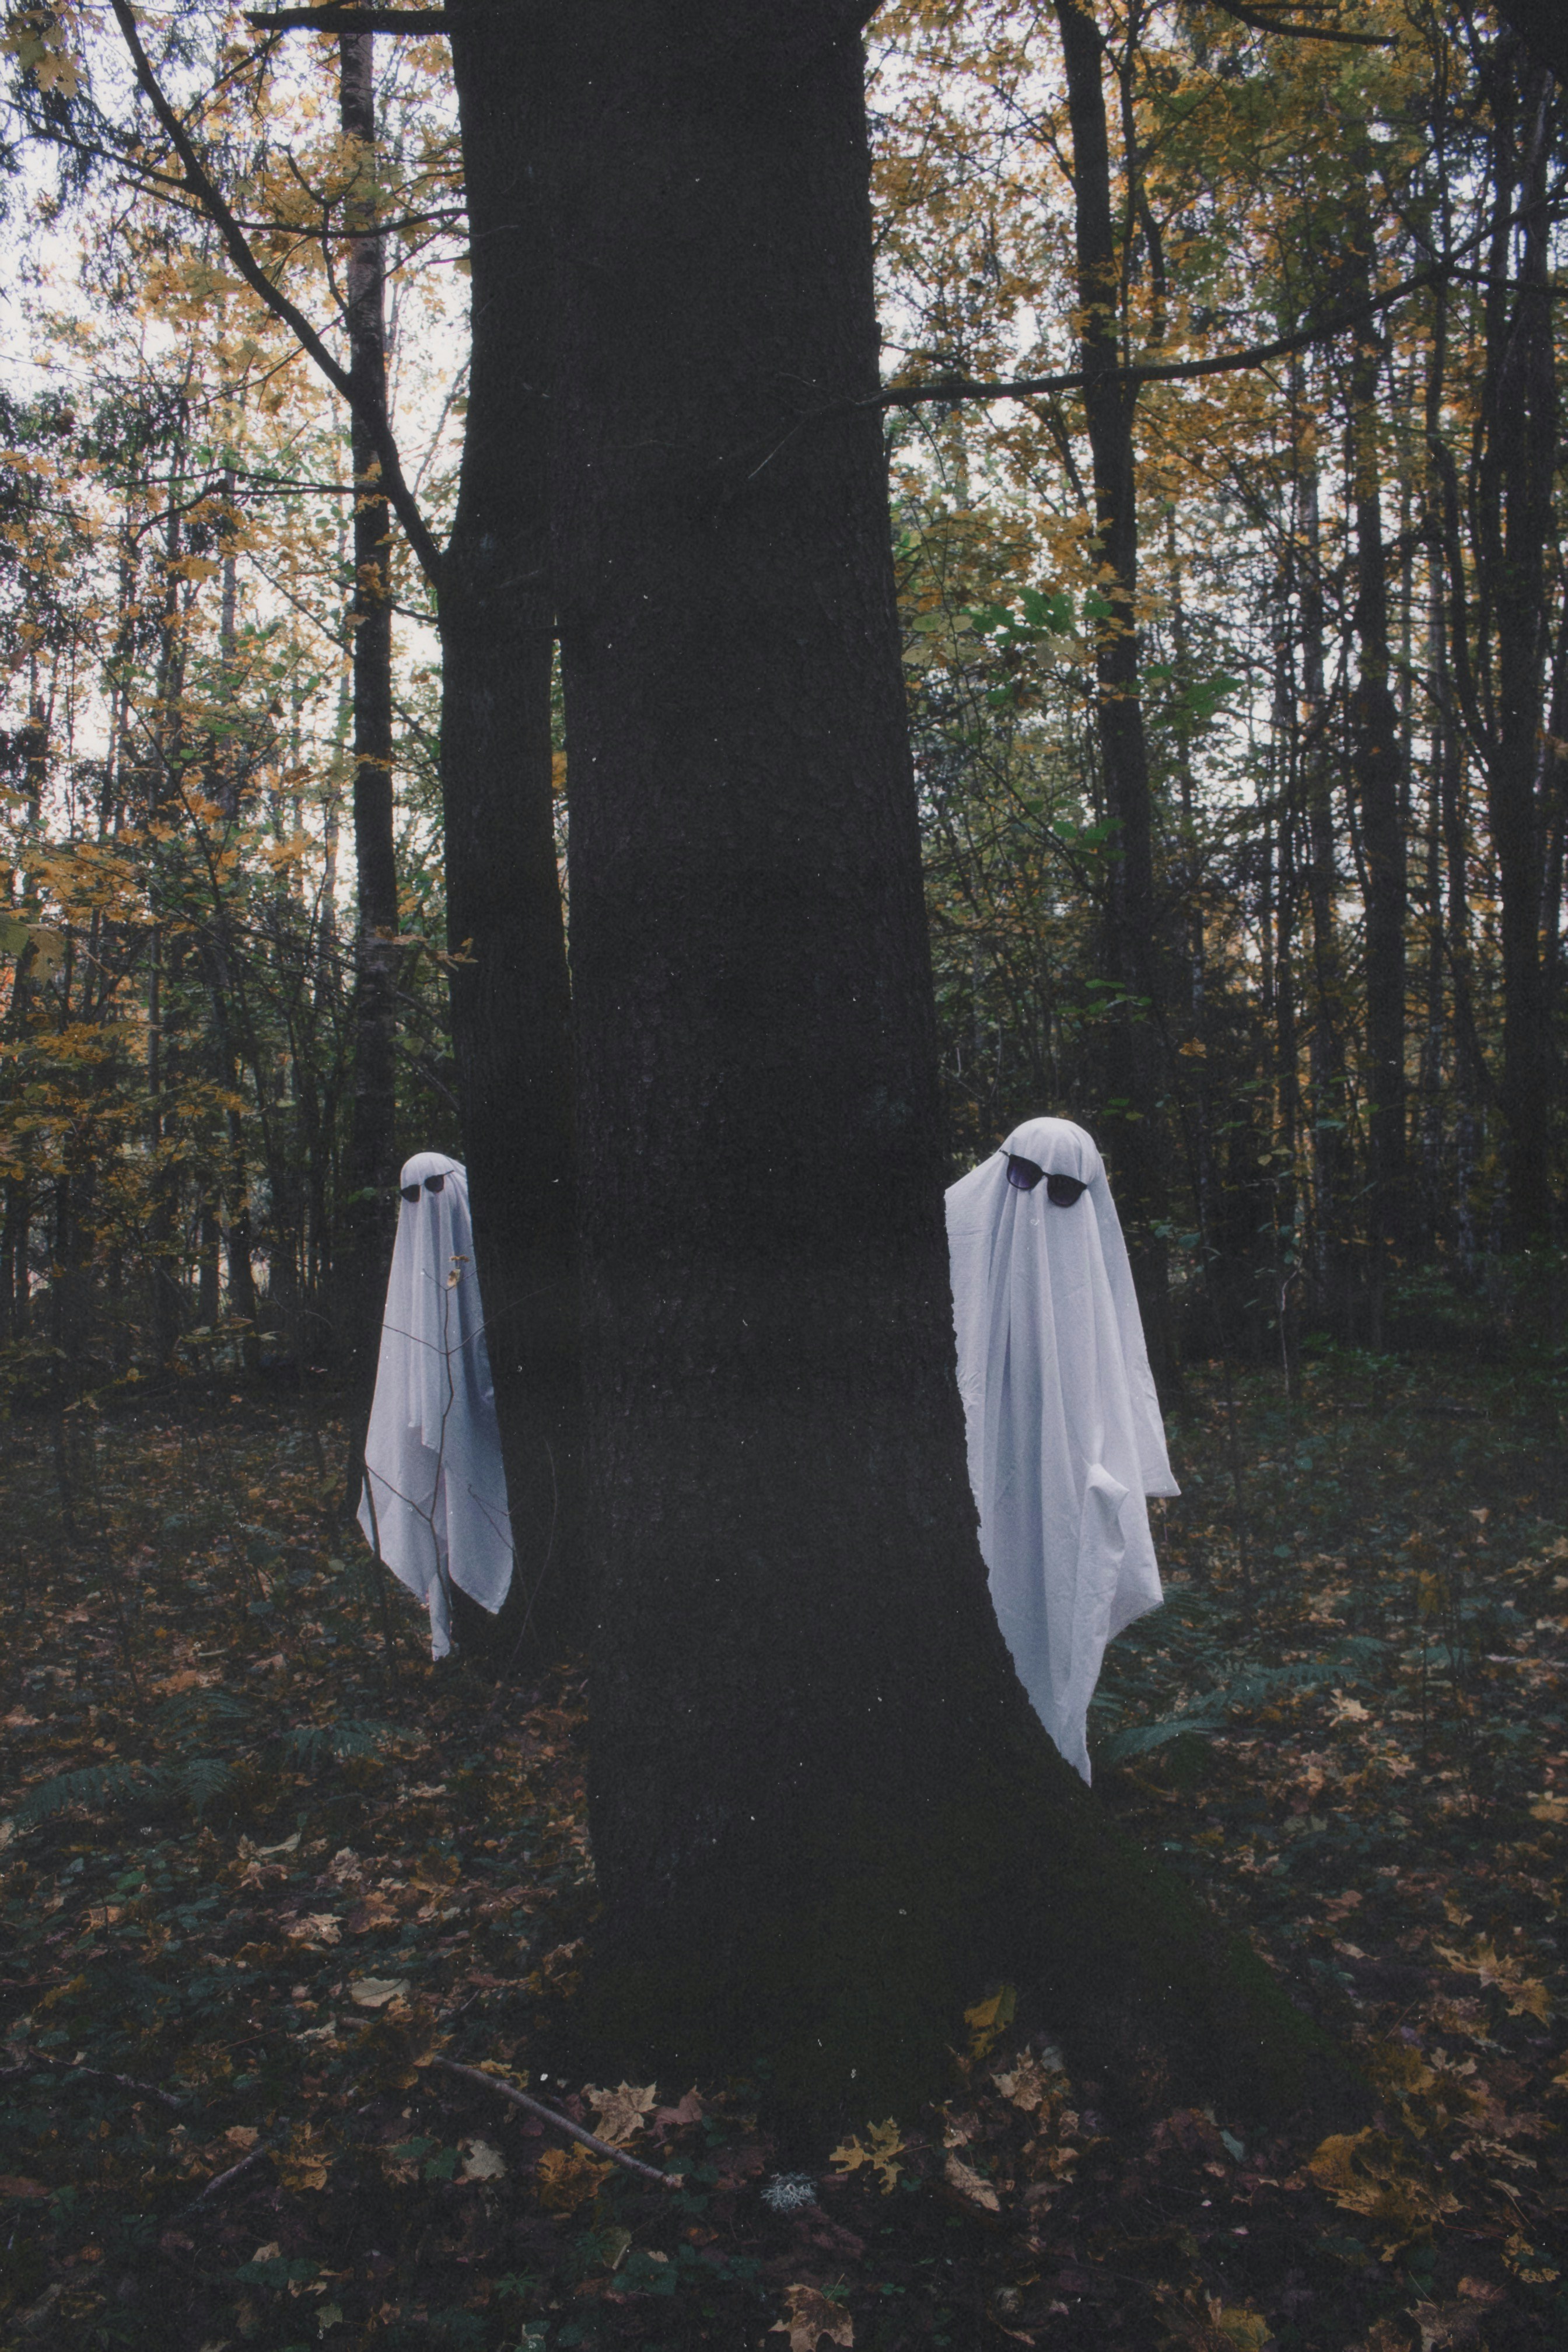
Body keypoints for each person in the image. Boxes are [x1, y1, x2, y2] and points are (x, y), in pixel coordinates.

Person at [946, 1116, 1178, 1780]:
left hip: (1057, 1489)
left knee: (1046, 1615)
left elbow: (1110, 1373)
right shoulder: (958, 1223)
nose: (1043, 1202)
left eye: (1066, 1192)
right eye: (1025, 1177)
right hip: (970, 1471)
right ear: (1004, 1166)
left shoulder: (1086, 1273)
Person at [358, 1152, 513, 1658]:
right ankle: (453, 1629)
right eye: (411, 1196)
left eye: (435, 1190)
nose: (425, 1206)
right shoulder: (411, 1276)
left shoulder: (479, 1255)